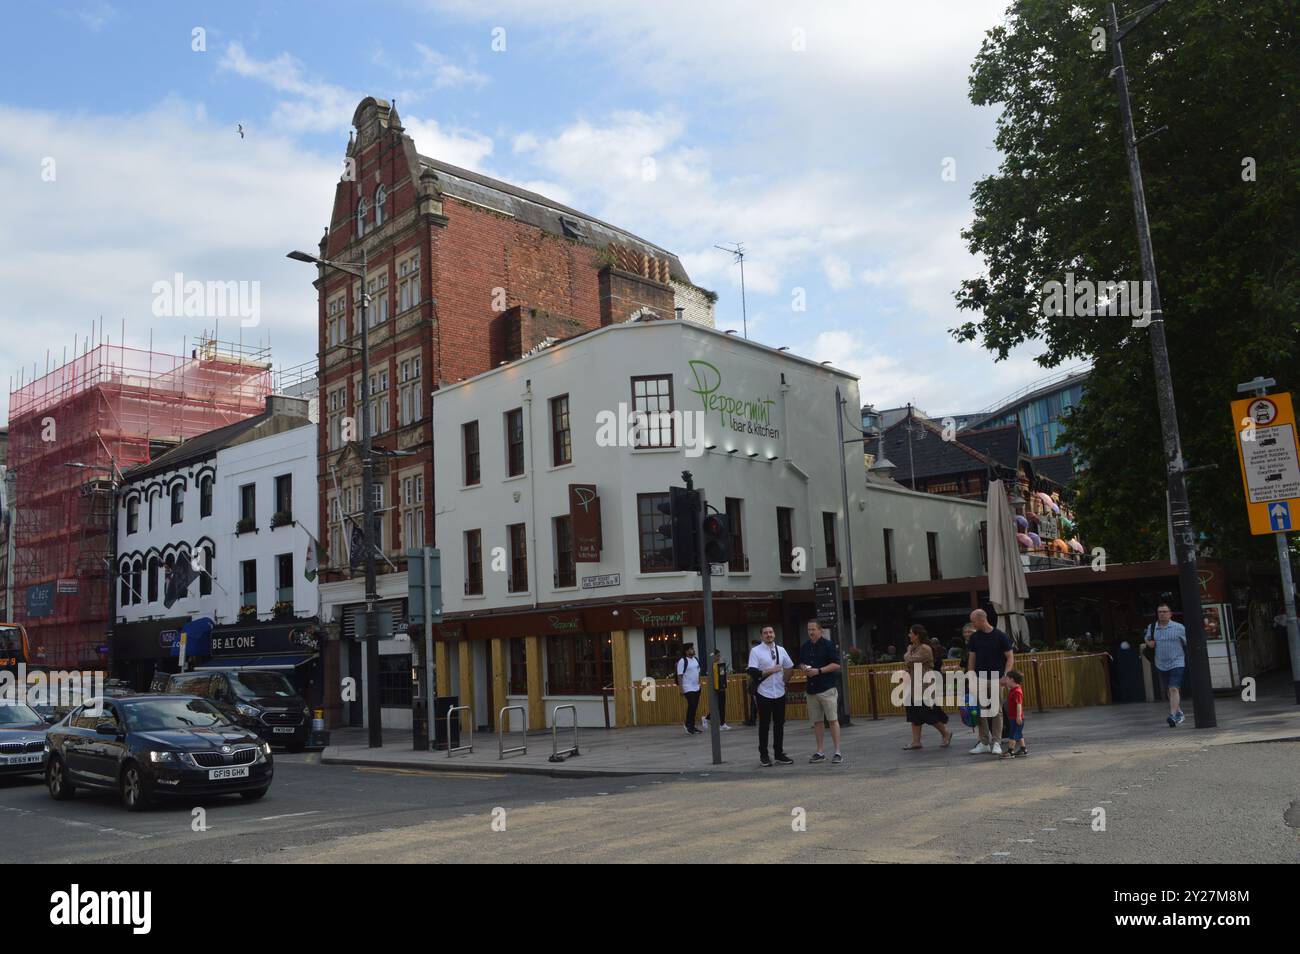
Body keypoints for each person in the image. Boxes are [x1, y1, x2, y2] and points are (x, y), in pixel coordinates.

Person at [966, 609, 1013, 756]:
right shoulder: (974, 638)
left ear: (981, 620)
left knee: (996, 711)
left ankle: (997, 742)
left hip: (996, 678)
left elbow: (1010, 657)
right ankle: (984, 742)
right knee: (980, 711)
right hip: (979, 678)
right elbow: (972, 658)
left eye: (973, 621)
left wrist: (1006, 676)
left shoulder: (1000, 636)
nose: (972, 624)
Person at [748, 626, 794, 766]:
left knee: (779, 724)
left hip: (779, 692)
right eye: (766, 633)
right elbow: (753, 672)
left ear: (774, 634)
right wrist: (770, 671)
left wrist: (785, 680)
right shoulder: (756, 651)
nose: (769, 635)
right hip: (764, 692)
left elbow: (790, 666)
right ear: (761, 635)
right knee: (764, 725)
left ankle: (779, 754)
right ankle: (764, 755)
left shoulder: (781, 650)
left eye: (771, 632)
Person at [799, 619, 844, 764]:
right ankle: (820, 751)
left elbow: (836, 664)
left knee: (832, 720)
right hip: (811, 689)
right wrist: (804, 668)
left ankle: (837, 752)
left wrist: (818, 671)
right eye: (809, 630)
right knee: (817, 722)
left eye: (813, 629)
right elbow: (800, 662)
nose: (811, 632)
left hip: (827, 688)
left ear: (820, 631)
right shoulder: (805, 646)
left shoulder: (828, 645)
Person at [902, 624, 952, 750]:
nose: (909, 635)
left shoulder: (924, 648)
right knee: (913, 714)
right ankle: (916, 741)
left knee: (927, 713)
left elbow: (909, 660)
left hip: (924, 685)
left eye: (911, 633)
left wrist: (908, 652)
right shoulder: (914, 648)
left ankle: (946, 732)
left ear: (917, 635)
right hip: (913, 685)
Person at [1144, 603, 1187, 726]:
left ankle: (1172, 715)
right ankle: (1179, 713)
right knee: (1169, 690)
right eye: (1160, 612)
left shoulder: (1179, 628)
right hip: (1160, 663)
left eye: (1164, 612)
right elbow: (1146, 638)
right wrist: (1149, 643)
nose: (1162, 614)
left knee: (1173, 688)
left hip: (1177, 661)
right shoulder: (1152, 627)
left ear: (1170, 614)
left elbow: (1187, 642)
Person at [702, 648, 731, 731]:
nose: (718, 657)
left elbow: (722, 676)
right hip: (715, 688)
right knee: (717, 706)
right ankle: (711, 719)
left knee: (721, 706)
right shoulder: (711, 666)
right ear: (713, 656)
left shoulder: (720, 665)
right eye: (717, 656)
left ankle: (721, 723)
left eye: (719, 656)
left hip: (721, 687)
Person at [677, 643, 702, 735]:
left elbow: (698, 671)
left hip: (696, 687)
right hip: (687, 687)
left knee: (694, 707)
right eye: (691, 649)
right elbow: (679, 675)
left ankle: (691, 725)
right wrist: (681, 688)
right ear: (686, 651)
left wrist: (699, 683)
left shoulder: (695, 659)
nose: (693, 650)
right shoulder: (682, 661)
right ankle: (689, 726)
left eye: (693, 649)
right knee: (692, 706)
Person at [1001, 670, 1027, 757]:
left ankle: (1010, 751)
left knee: (1012, 734)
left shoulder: (1017, 691)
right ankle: (1023, 749)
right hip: (1013, 717)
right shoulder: (1013, 689)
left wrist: (1018, 716)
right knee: (1019, 733)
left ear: (1012, 679)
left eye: (1007, 678)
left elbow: (1018, 704)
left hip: (1016, 717)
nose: (1005, 680)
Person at [743, 639, 761, 726]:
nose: (751, 648)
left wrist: (748, 670)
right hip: (757, 682)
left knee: (754, 702)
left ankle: (752, 720)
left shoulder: (756, 654)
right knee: (754, 701)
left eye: (752, 646)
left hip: (756, 682)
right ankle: (752, 719)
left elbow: (754, 669)